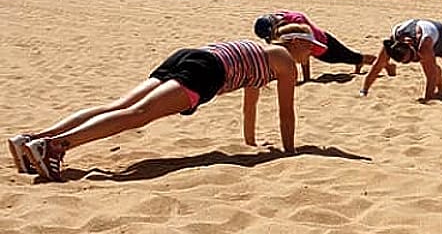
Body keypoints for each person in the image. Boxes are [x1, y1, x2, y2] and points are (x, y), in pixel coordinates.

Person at [7, 28, 321, 181]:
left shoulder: (261, 55)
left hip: (192, 55)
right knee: (137, 116)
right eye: (312, 47)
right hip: (208, 71)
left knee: (118, 106)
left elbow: (249, 105)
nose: (314, 53)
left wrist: (250, 142)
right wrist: (291, 152)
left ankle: (31, 140)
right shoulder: (286, 63)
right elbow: (286, 112)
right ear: (297, 43)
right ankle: (56, 146)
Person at [360, 18, 442, 99]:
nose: (415, 61)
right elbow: (377, 66)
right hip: (425, 39)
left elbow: (430, 77)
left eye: (412, 58)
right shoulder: (393, 43)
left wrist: (428, 99)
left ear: (410, 45)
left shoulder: (424, 46)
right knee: (432, 67)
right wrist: (364, 90)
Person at [253, 10, 373, 80]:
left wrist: (307, 79)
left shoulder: (297, 21)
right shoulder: (279, 20)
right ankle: (359, 62)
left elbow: (305, 54)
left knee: (352, 57)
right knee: (351, 58)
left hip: (325, 46)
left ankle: (383, 64)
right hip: (316, 47)